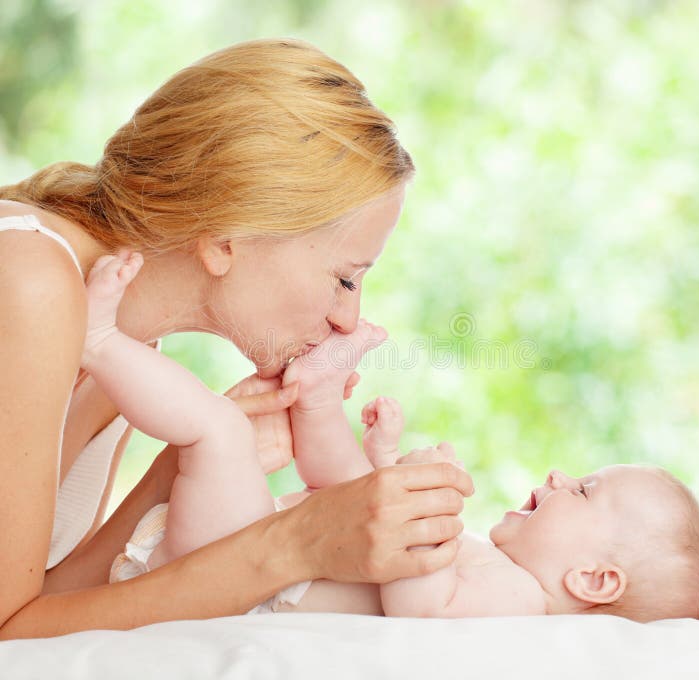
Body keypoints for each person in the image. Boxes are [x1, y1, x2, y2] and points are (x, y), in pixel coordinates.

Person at [0, 38, 473, 639]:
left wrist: (184, 463)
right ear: (227, 236)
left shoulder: (126, 338)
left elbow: (48, 608)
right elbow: (8, 638)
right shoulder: (31, 282)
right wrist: (295, 543)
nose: (349, 321)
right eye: (345, 278)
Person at [99, 260, 699, 622]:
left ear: (593, 580)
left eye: (586, 490)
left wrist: (426, 520)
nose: (562, 476)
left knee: (219, 431)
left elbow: (422, 609)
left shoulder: (520, 605)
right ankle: (318, 397)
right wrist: (387, 470)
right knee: (344, 489)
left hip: (231, 572)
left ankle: (97, 343)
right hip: (261, 548)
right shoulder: (501, 567)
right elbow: (361, 530)